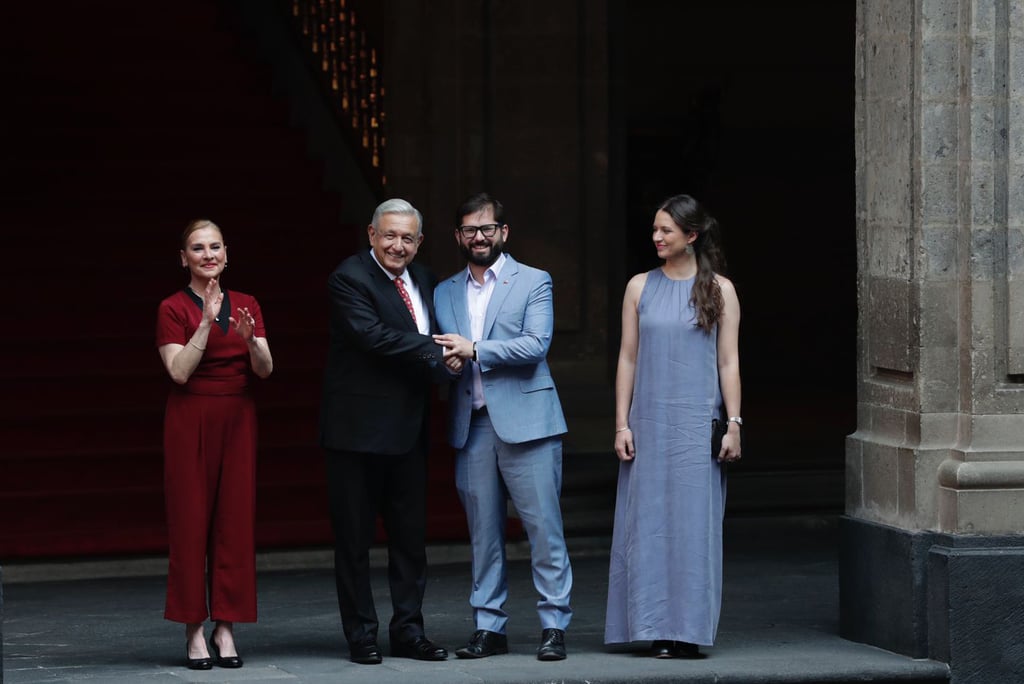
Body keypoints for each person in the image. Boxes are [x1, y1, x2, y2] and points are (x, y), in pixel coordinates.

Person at [433, 192, 573, 661]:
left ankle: (554, 624)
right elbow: (447, 356)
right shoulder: (444, 291)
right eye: (470, 230)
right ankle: (489, 626)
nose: (479, 237)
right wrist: (450, 365)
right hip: (471, 425)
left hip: (529, 423)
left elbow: (536, 344)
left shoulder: (533, 280)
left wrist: (474, 350)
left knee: (543, 528)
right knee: (483, 534)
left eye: (487, 229)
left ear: (503, 233)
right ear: (458, 236)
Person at [319, 198, 456, 665]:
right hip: (356, 433)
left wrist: (456, 357)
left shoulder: (427, 279)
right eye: (390, 235)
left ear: (419, 242)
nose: (398, 245)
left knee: (410, 540)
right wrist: (439, 352)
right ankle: (361, 634)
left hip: (409, 429)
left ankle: (409, 631)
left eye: (408, 238)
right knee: (355, 542)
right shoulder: (349, 277)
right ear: (371, 235)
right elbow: (372, 336)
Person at [604, 194, 741, 659]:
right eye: (655, 229)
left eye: (666, 230)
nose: (657, 237)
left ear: (692, 235)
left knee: (694, 527)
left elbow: (728, 362)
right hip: (649, 422)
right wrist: (621, 423)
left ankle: (689, 629)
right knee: (649, 526)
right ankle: (656, 626)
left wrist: (734, 424)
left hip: (695, 424)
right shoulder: (639, 286)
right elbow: (627, 356)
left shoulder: (720, 289)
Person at [156, 218, 274, 670]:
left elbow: (264, 369)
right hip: (190, 418)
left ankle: (226, 627)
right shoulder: (171, 307)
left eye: (216, 247)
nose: (208, 255)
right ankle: (193, 630)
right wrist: (205, 324)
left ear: (227, 254)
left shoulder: (247, 304)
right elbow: (179, 371)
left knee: (235, 523)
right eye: (198, 248)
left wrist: (250, 343)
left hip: (238, 417)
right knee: (190, 523)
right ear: (183, 258)